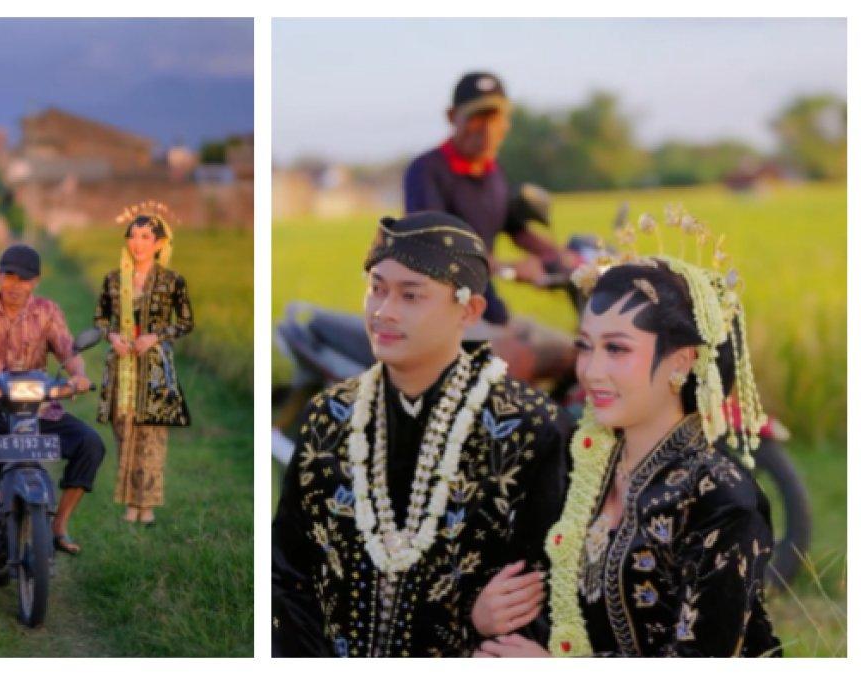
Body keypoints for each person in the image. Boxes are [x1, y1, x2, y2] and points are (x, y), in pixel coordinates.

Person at [475, 213, 782, 657]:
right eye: (585, 346)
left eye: (616, 349)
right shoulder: (578, 470)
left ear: (681, 361)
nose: (591, 371)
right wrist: (485, 615)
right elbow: (551, 617)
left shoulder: (721, 499)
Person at [271, 211, 569, 656]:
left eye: (411, 295)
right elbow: (288, 573)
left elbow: (527, 606)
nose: (383, 311)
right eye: (377, 288)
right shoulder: (331, 416)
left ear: (469, 310)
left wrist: (462, 620)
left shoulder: (525, 428)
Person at [403, 71, 574, 382]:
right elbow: (439, 246)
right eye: (476, 118)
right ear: (452, 117)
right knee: (516, 362)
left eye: (495, 118)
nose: (487, 130)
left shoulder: (494, 172)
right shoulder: (427, 171)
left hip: (488, 308)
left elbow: (516, 228)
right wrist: (509, 267)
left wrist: (563, 256)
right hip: (446, 314)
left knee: (574, 353)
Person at [0, 244, 105, 558]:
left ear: (36, 281)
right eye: (9, 276)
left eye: (24, 279)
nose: (15, 285)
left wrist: (79, 376)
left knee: (90, 443)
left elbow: (69, 351)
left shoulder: (48, 311)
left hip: (37, 407)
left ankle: (60, 524)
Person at [94, 203, 194, 526]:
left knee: (151, 438)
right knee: (125, 434)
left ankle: (146, 506)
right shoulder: (113, 281)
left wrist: (155, 337)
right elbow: (99, 319)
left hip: (154, 370)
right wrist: (112, 337)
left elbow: (186, 323)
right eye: (133, 236)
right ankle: (129, 504)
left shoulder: (172, 281)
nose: (138, 243)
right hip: (120, 366)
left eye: (146, 237)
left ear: (160, 243)